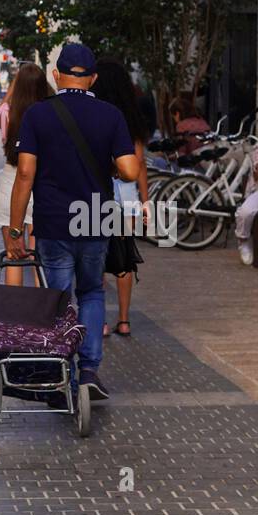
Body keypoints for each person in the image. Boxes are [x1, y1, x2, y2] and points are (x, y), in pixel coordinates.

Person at [8, 43, 139, 403]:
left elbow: (24, 175)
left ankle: (58, 370)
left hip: (52, 222)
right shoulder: (110, 115)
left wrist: (16, 229)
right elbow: (129, 169)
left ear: (56, 75)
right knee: (93, 291)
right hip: (96, 219)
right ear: (93, 78)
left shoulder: (38, 114)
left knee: (58, 296)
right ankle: (89, 371)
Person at [93, 58, 151, 338]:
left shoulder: (96, 117)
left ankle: (101, 321)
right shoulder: (131, 118)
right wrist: (145, 200)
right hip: (127, 197)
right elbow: (139, 164)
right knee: (124, 259)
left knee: (99, 259)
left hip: (97, 195)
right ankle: (124, 320)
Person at [0, 63, 51, 286]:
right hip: (40, 184)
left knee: (12, 255)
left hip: (10, 184)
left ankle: (14, 314)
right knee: (40, 256)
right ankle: (40, 314)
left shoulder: (7, 111)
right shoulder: (48, 112)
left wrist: (13, 88)